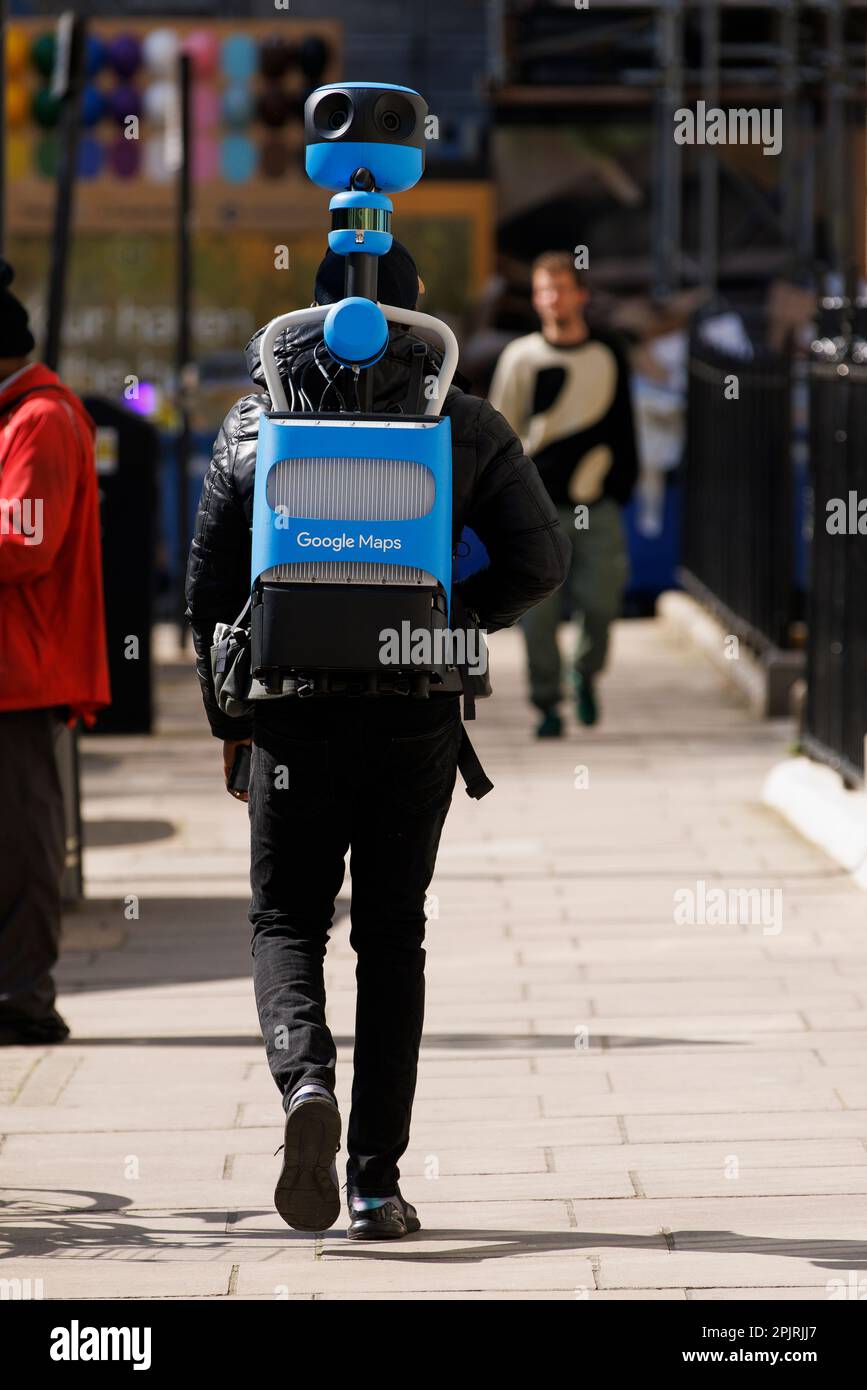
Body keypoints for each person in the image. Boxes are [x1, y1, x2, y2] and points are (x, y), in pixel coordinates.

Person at [186, 241, 569, 1239]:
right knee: (393, 938)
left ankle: (305, 1084)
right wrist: (453, 622)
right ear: (416, 313)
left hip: (293, 706)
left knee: (285, 923)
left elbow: (206, 590)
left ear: (313, 312)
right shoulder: (461, 417)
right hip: (414, 710)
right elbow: (543, 555)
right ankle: (373, 1183)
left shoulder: (255, 417)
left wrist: (232, 721)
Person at [0, 259, 110, 1044]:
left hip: (22, 669)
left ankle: (23, 998)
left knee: (21, 841)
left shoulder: (37, 418)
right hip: (15, 663)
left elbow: (25, 543)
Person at [489, 251, 639, 736]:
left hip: (594, 502)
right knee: (540, 615)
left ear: (581, 294)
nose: (552, 299)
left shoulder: (609, 351)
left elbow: (624, 424)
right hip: (536, 508)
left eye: (560, 288)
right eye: (542, 290)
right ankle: (548, 704)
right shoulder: (520, 358)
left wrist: (621, 483)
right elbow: (501, 430)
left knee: (601, 602)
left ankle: (587, 674)